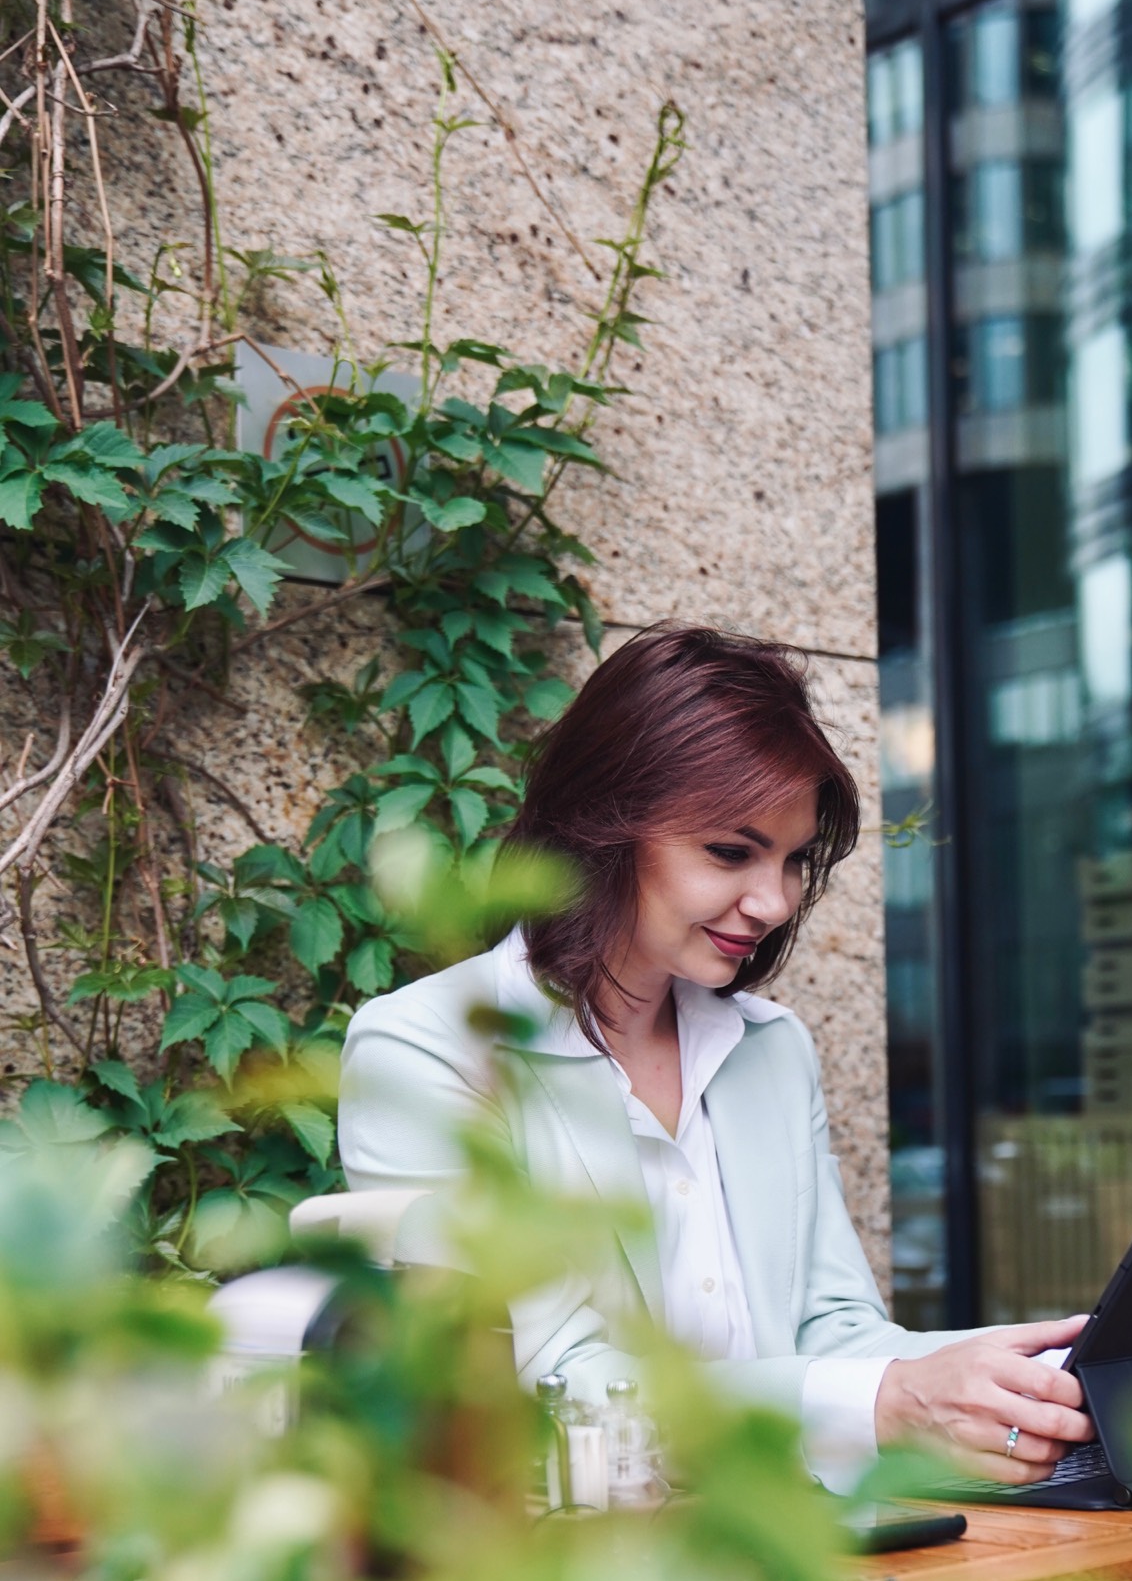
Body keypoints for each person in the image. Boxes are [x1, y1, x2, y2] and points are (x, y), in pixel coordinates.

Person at [338, 625, 1091, 1487]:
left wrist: (1036, 1374)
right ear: (601, 827)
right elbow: (543, 1384)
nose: (773, 901)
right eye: (730, 852)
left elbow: (836, 1334)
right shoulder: (431, 1050)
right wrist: (887, 1401)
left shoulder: (773, 1051)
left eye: (794, 860)